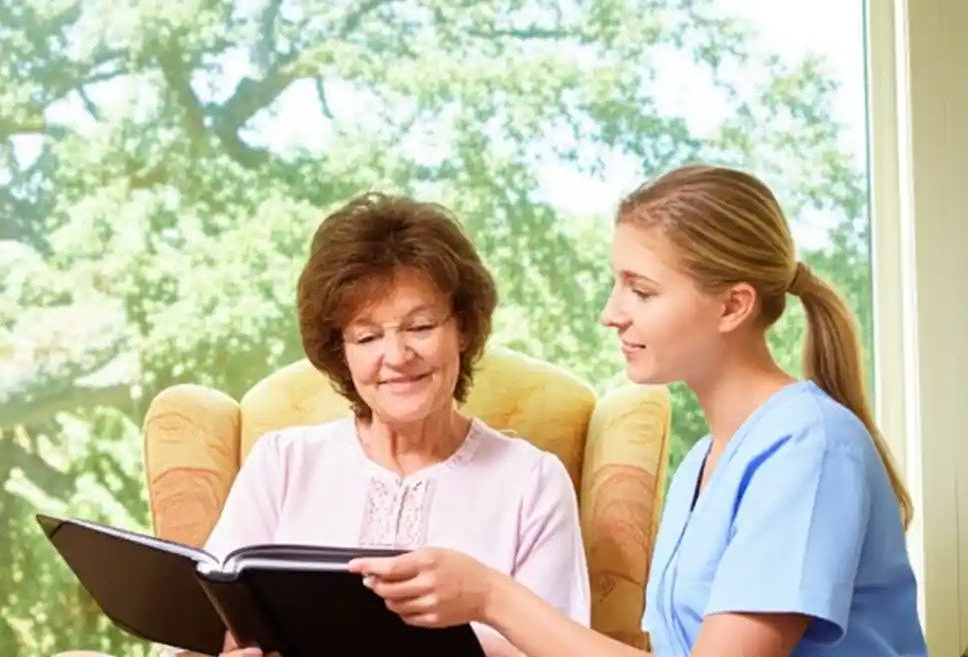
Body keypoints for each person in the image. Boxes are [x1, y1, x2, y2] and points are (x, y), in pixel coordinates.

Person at [349, 165, 928, 656]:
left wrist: (490, 598)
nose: (612, 312)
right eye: (616, 284)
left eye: (641, 290)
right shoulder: (703, 462)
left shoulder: (811, 447)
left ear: (733, 305)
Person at [157, 192, 591, 657]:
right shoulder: (282, 461)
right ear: (341, 351)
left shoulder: (532, 480)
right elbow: (207, 629)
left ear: (462, 328)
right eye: (367, 336)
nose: (398, 357)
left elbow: (558, 651)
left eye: (420, 327)